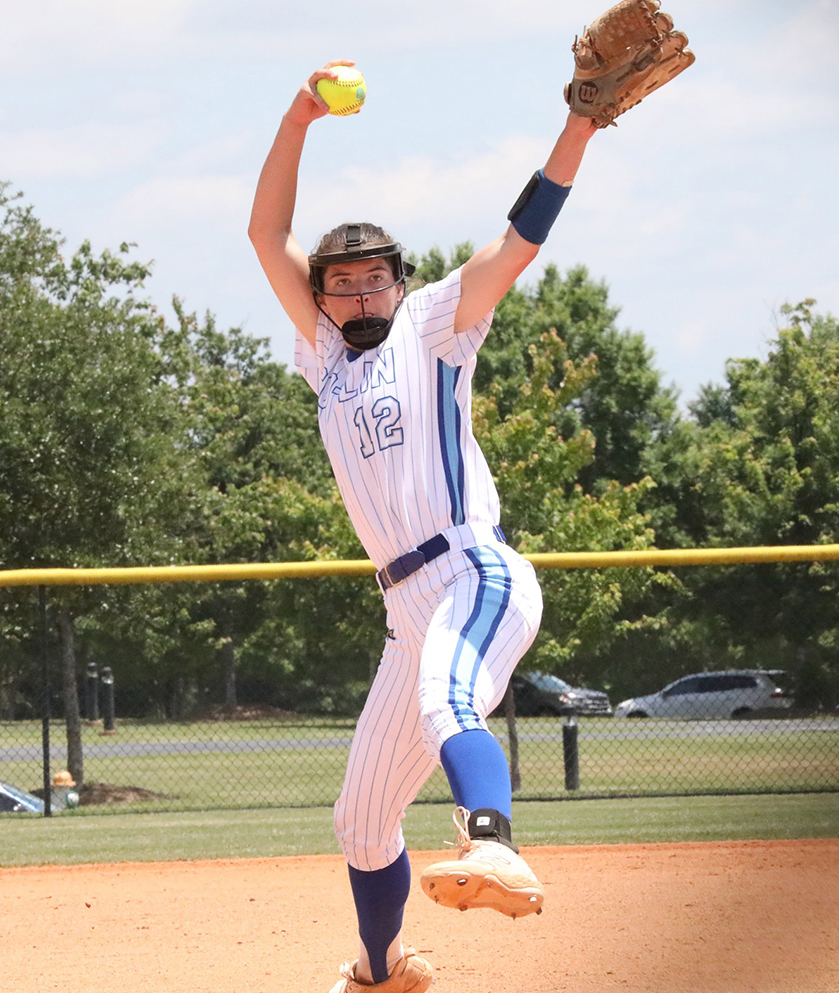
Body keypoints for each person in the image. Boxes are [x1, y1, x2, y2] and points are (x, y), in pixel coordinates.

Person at [248, 59, 599, 993]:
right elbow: (264, 231)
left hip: (473, 570)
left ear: (400, 284)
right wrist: (298, 117)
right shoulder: (323, 359)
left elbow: (519, 240)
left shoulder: (438, 324)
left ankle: (496, 844)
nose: (361, 296)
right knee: (362, 818)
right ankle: (382, 970)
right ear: (320, 298)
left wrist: (580, 129)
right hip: (405, 610)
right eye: (343, 285)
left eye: (375, 281)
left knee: (452, 700)